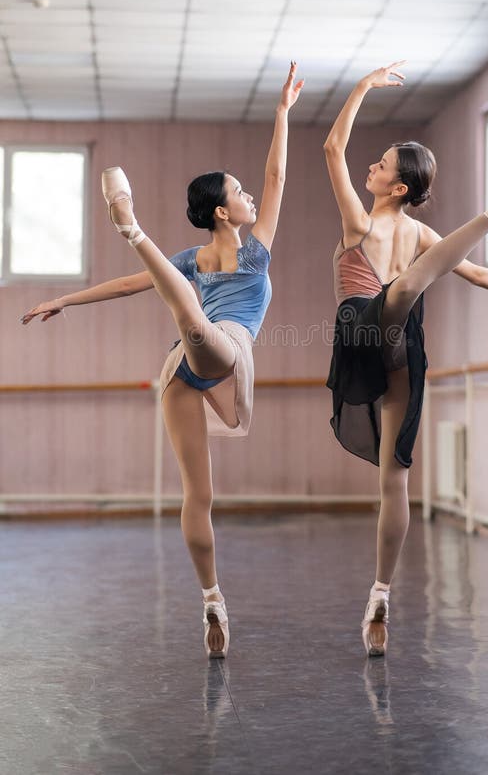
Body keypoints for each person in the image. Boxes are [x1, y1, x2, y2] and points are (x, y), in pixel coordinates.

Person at [22, 62, 304, 659]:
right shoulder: (239, 252)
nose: (251, 196)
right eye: (239, 192)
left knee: (191, 321)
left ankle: (133, 230)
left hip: (204, 354)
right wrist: (66, 300)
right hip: (199, 357)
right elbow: (130, 285)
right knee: (196, 492)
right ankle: (211, 600)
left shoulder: (225, 257)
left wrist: (282, 111)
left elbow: (273, 176)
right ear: (222, 212)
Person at [323, 62, 488, 657]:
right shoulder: (412, 234)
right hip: (387, 332)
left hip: (377, 333)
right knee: (408, 289)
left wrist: (361, 87)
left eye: (381, 165)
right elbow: (474, 271)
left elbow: (332, 148)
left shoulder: (367, 223)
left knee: (395, 479)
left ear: (397, 188)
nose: (370, 167)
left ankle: (381, 596)